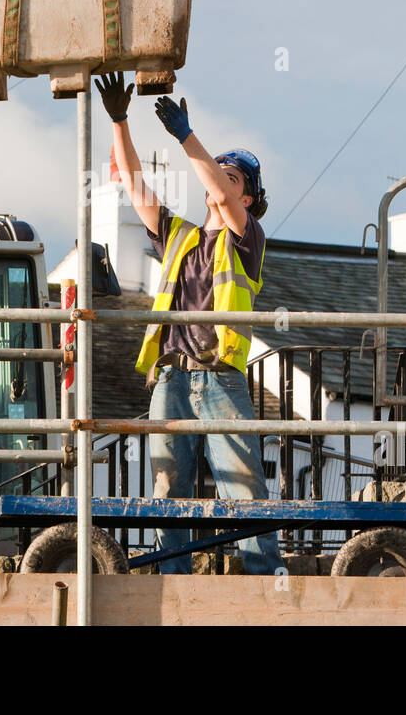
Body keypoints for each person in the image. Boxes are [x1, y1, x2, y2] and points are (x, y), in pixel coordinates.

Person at [95, 72, 283, 576]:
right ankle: (172, 583)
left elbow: (221, 198)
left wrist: (186, 136)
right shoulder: (180, 236)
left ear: (248, 198)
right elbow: (134, 186)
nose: (220, 182)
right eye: (218, 174)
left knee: (243, 487)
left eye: (233, 177)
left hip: (219, 376)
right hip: (171, 377)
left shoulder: (247, 238)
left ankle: (264, 583)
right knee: (167, 491)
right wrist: (119, 121)